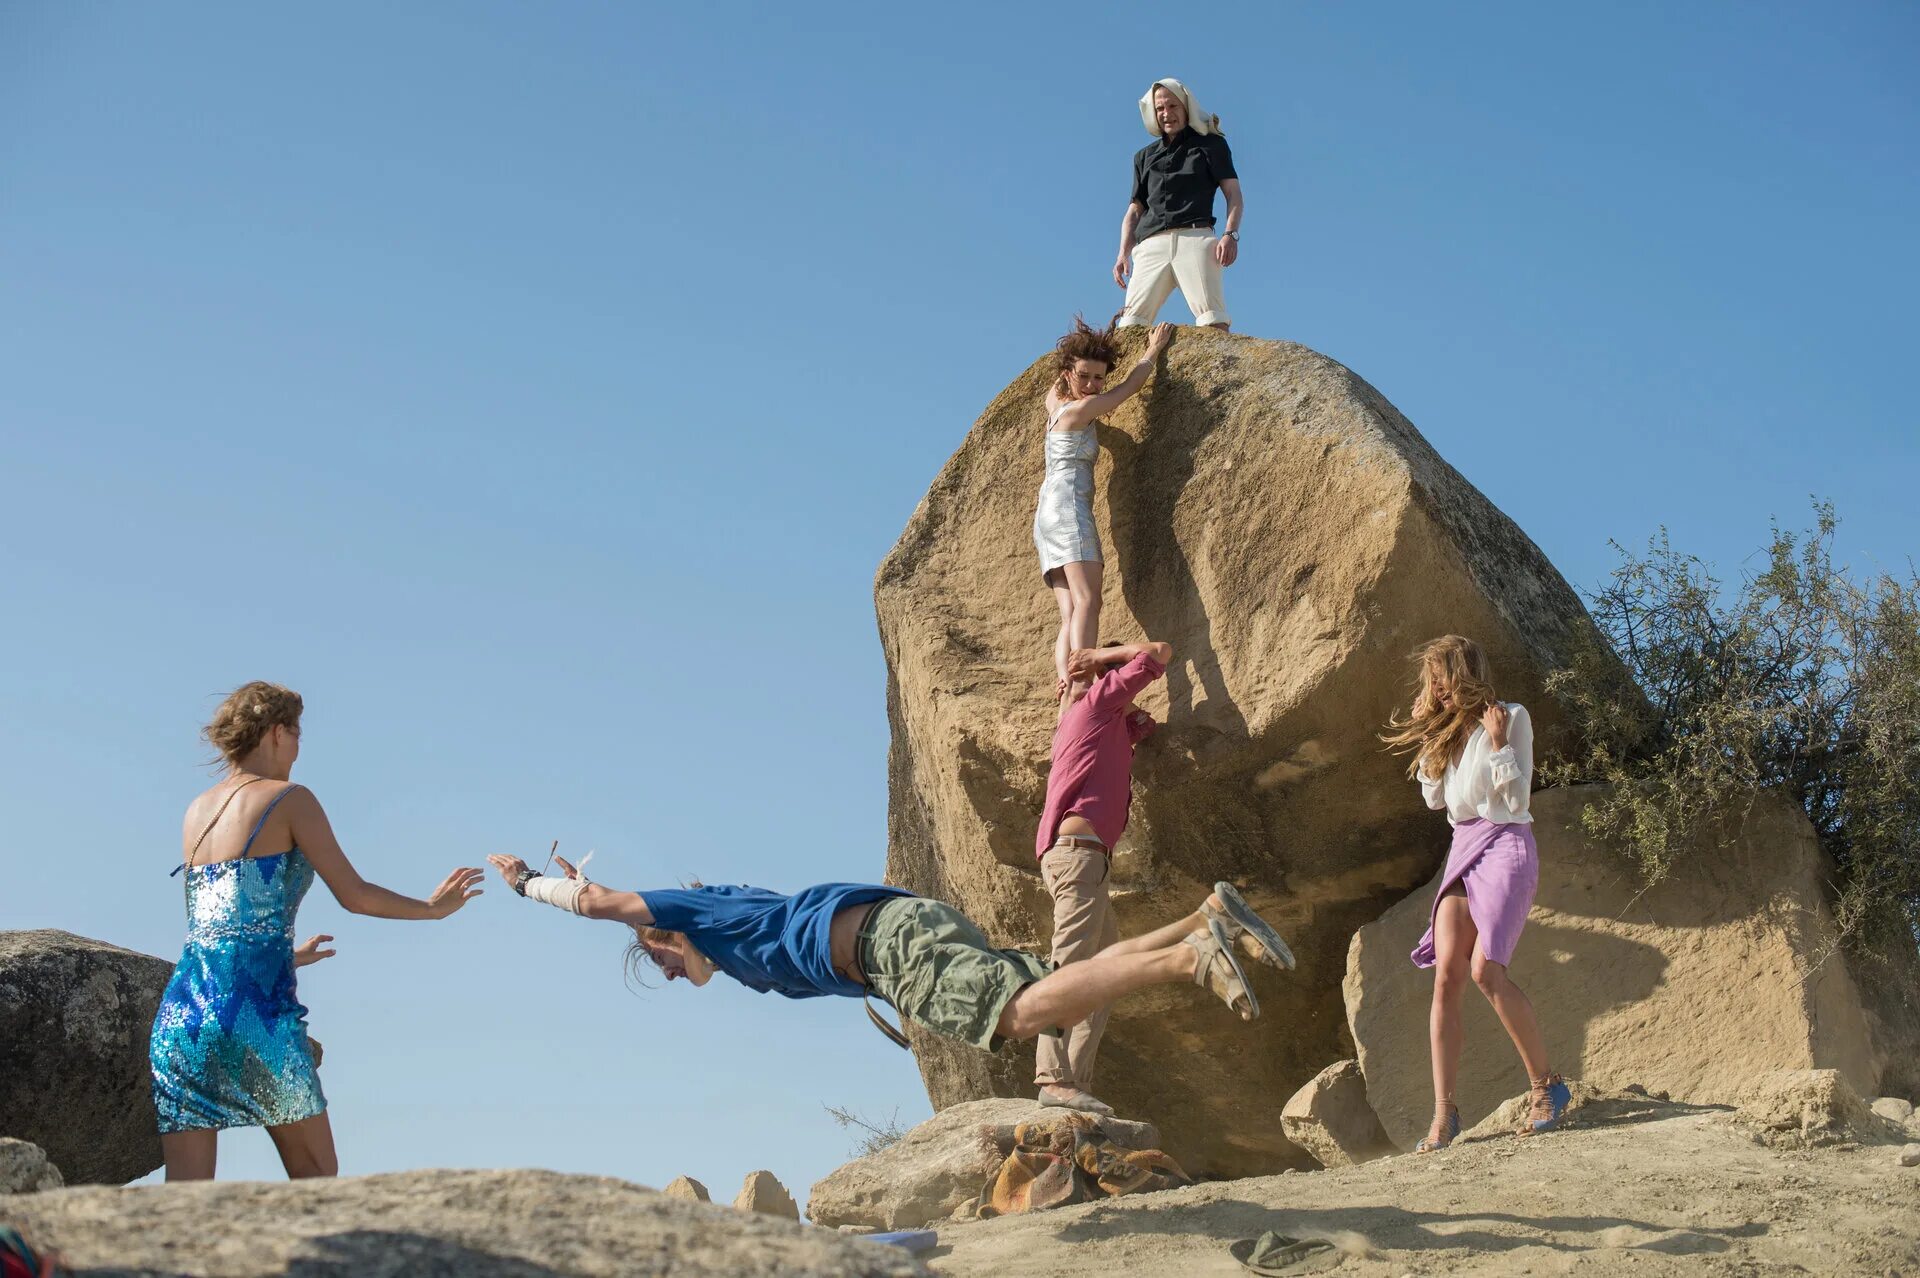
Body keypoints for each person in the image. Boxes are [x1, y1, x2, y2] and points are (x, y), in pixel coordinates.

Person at [481, 851, 1295, 1062]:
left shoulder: (697, 912)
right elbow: (679, 946)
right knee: (1056, 987)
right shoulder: (730, 936)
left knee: (1013, 1015)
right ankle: (1206, 916)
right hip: (900, 927)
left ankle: (1191, 959)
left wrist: (531, 888)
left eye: (657, 959)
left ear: (666, 933)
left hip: (886, 944)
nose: (667, 973)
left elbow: (601, 904)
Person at [148, 681, 485, 1181]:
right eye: (297, 733)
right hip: (254, 1016)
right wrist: (432, 908)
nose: (299, 748)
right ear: (278, 733)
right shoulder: (290, 799)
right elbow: (355, 894)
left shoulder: (196, 810)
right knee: (317, 1185)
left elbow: (220, 925)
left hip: (183, 1016)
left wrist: (286, 953)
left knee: (183, 1202)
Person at [1031, 638, 1295, 1113]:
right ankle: (1052, 1078)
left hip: (1084, 859)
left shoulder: (1102, 721)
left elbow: (1142, 727)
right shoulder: (1093, 702)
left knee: (1104, 973)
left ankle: (1076, 1083)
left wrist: (1124, 703)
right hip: (1078, 856)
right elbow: (1160, 651)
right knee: (1069, 966)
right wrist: (1101, 661)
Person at [1381, 637, 1569, 1152]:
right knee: (1447, 975)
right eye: (1432, 683)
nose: (1437, 690)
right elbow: (1434, 798)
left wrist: (1501, 744)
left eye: (1443, 679)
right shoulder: (1444, 733)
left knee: (1488, 971)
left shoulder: (1511, 716)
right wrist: (1426, 736)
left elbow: (1518, 798)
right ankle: (1444, 1116)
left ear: (1465, 675)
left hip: (1507, 843)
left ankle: (1546, 1086)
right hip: (1462, 846)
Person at [1036, 318, 1173, 701]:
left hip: (1047, 516)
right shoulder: (1083, 410)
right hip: (1068, 512)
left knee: (1071, 611)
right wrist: (1152, 350)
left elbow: (1056, 387)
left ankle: (1065, 679)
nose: (1094, 386)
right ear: (1069, 373)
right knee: (1089, 600)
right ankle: (1081, 682)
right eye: (1085, 376)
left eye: (1099, 378)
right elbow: (1129, 388)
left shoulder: (1057, 407)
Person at [1115, 78, 1243, 331]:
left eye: (1172, 106)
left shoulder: (1211, 145)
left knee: (1213, 319)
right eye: (1160, 108)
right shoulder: (1144, 156)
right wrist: (1123, 252)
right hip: (1151, 244)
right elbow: (1134, 210)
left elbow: (1233, 193)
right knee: (1129, 325)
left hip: (1195, 238)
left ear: (1185, 107)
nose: (1166, 114)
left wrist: (1231, 234)